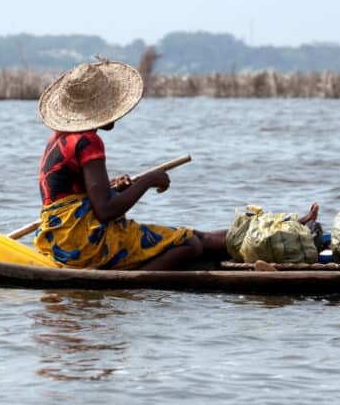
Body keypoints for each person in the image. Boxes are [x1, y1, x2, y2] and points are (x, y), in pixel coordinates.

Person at [33, 58, 228, 270]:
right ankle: (129, 281)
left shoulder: (59, 138)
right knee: (190, 243)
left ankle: (242, 241)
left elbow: (77, 197)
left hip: (61, 240)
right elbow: (105, 211)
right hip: (81, 242)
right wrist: (147, 181)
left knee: (196, 236)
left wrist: (112, 187)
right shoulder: (88, 141)